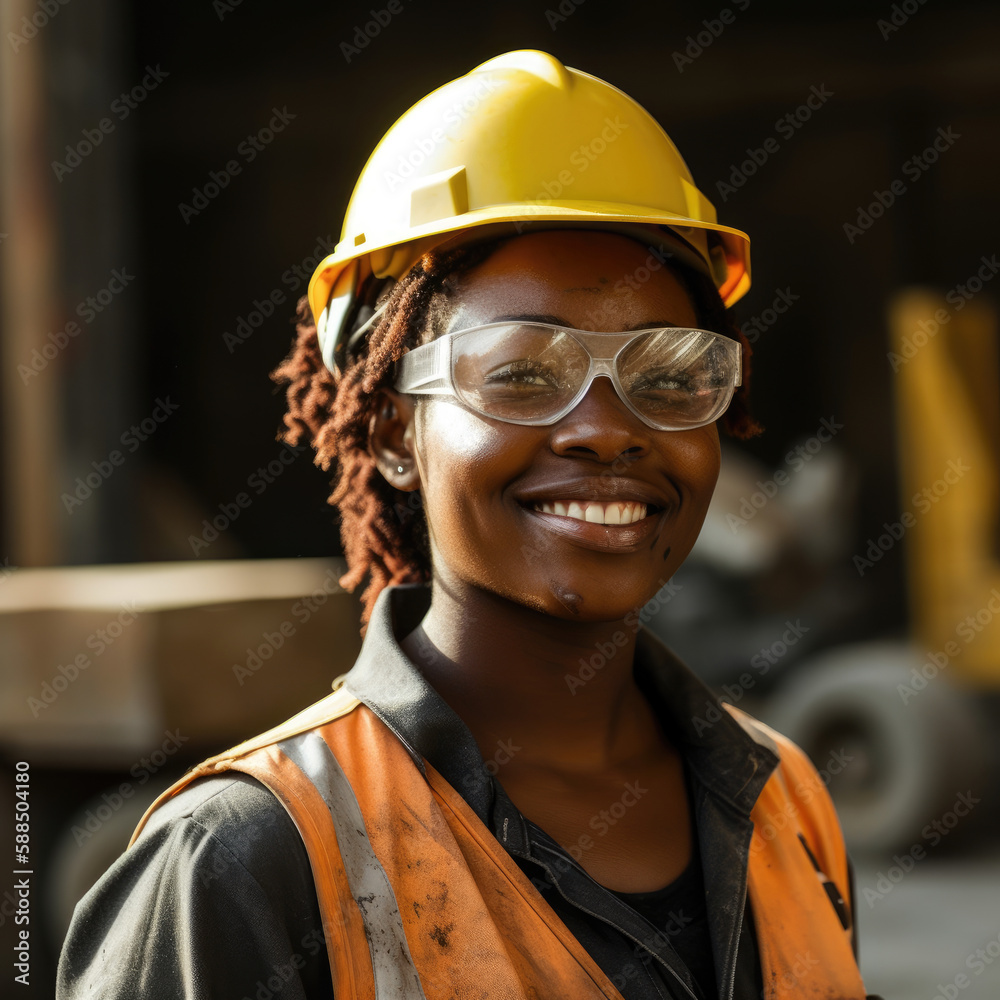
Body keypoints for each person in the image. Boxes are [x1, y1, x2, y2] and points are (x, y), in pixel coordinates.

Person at [57, 50, 879, 999]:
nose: (609, 430)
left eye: (665, 375)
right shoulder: (250, 862)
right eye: (522, 372)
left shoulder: (786, 800)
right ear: (390, 431)